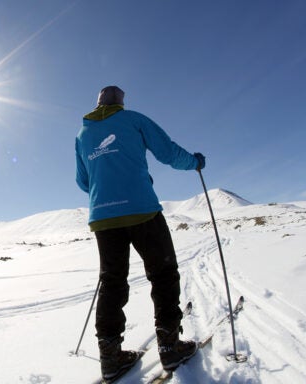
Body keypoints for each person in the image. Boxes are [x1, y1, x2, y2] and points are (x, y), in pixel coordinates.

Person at [75, 85, 205, 381]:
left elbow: (84, 181)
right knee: (163, 273)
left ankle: (110, 357)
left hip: (103, 217)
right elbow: (168, 152)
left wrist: (108, 179)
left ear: (97, 105)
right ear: (120, 103)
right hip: (141, 209)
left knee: (112, 282)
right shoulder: (133, 119)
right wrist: (195, 162)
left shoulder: (82, 136)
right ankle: (170, 346)